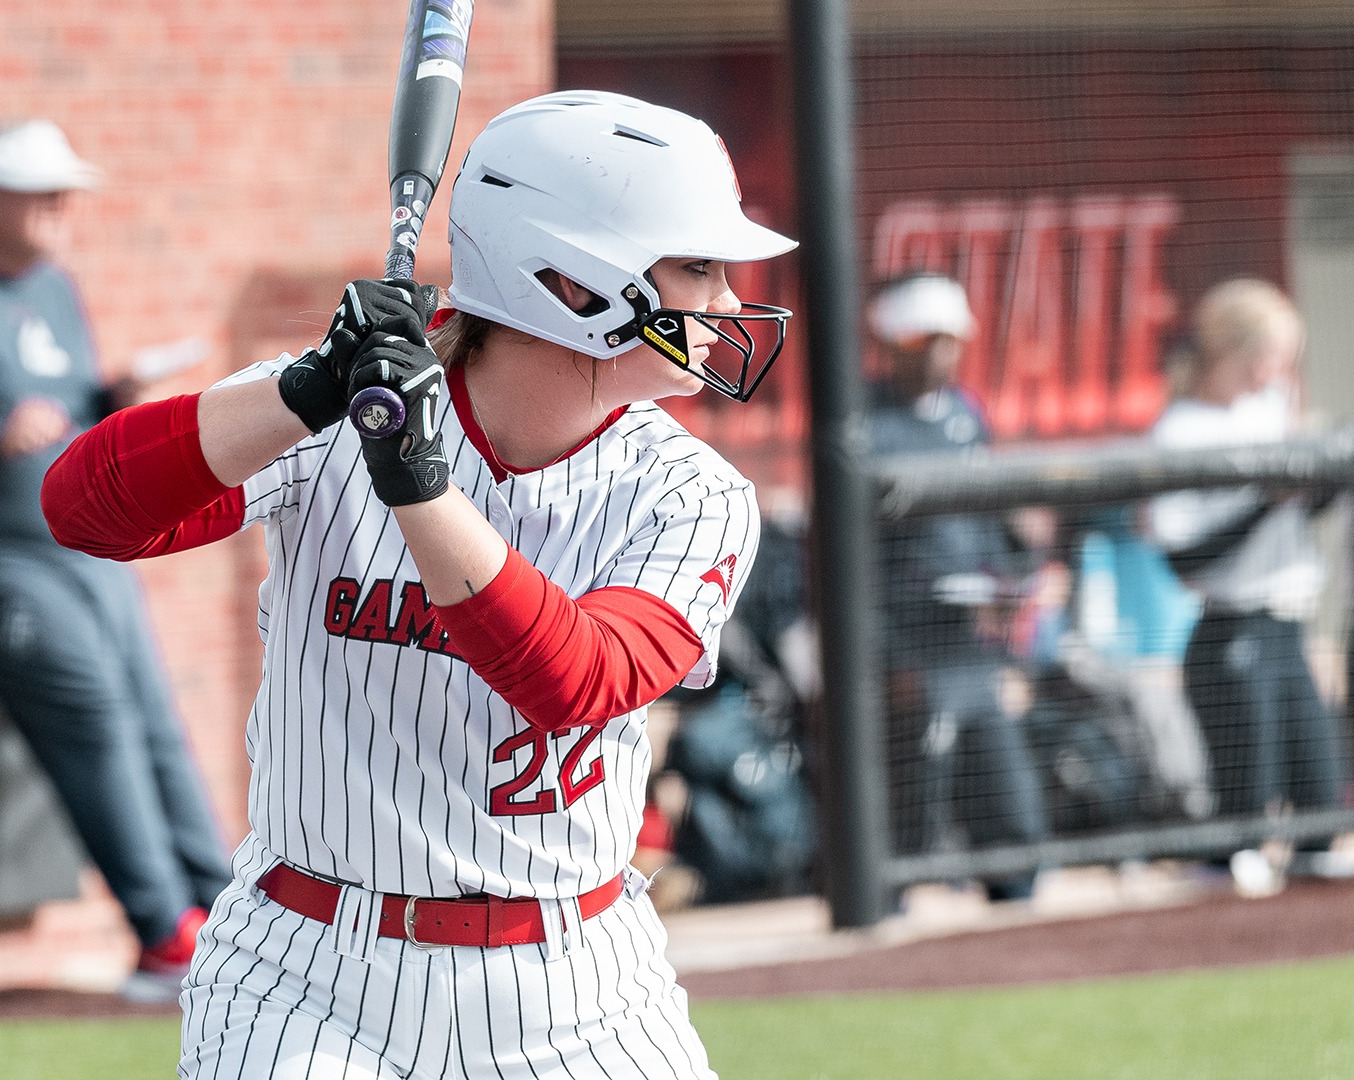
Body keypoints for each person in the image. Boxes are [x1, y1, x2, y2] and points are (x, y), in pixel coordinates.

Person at [42, 91, 794, 1079]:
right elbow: (84, 509)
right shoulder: (342, 407)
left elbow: (575, 679)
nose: (730, 303)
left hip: (576, 981)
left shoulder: (691, 493)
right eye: (699, 266)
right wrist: (305, 390)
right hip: (306, 975)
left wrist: (419, 486)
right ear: (574, 284)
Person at [0, 119, 231, 1002]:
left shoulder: (55, 288)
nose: (61, 210)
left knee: (154, 715)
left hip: (82, 542)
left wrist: (114, 397)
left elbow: (66, 407)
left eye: (66, 193)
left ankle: (225, 915)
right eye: (39, 192)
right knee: (93, 707)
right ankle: (163, 937)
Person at [864, 271, 1053, 902]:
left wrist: (1019, 586)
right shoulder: (863, 424)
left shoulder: (967, 415)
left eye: (949, 341)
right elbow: (850, 562)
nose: (940, 355)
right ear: (893, 343)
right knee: (907, 830)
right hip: (909, 650)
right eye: (924, 341)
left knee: (1011, 810)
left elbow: (992, 527)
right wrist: (887, 658)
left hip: (976, 645)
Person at [1144, 279, 1348, 835]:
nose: (1281, 370)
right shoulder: (1179, 429)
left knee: (1323, 807)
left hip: (1289, 629)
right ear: (1240, 352)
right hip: (1229, 634)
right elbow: (1181, 560)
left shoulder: (1270, 409)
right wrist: (1264, 501)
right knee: (1247, 816)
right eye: (1274, 356)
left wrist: (1326, 479)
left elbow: (1301, 514)